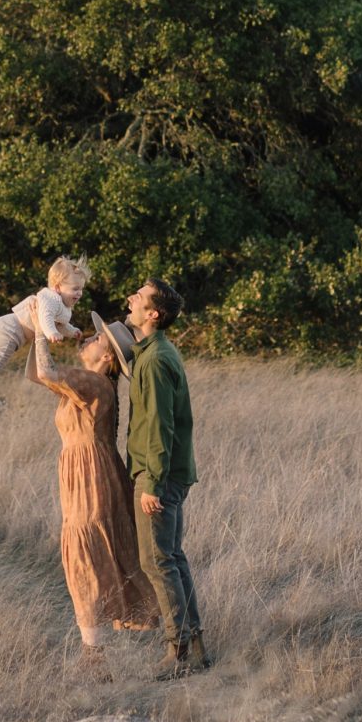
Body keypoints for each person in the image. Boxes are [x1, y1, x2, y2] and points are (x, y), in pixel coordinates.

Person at [26, 313, 159, 666]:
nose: (89, 338)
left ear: (108, 357)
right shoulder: (85, 382)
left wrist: (43, 329)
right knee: (86, 549)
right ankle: (94, 652)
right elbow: (34, 374)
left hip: (92, 473)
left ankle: (93, 655)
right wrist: (36, 327)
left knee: (87, 548)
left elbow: (46, 372)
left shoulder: (96, 385)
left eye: (97, 338)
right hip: (78, 470)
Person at [124, 277, 208, 679]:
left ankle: (178, 654)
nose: (130, 299)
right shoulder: (152, 353)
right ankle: (196, 646)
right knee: (172, 558)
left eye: (138, 297)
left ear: (152, 314)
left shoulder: (157, 358)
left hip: (160, 475)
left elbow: (160, 426)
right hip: (167, 472)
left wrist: (151, 484)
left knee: (157, 561)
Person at [0, 256, 88, 408]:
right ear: (58, 287)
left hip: (11, 331)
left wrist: (73, 331)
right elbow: (45, 317)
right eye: (75, 289)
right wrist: (50, 333)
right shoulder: (50, 299)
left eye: (81, 289)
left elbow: (61, 325)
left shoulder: (61, 306)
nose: (79, 293)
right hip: (10, 329)